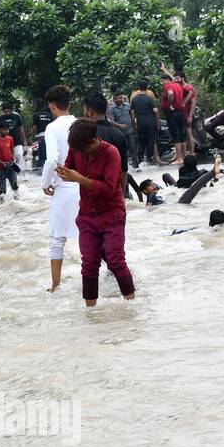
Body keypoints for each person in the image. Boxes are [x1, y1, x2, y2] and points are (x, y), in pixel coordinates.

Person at [55, 119, 135, 308]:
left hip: (112, 213)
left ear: (92, 142)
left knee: (115, 260)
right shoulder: (77, 147)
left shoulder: (111, 153)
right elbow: (70, 166)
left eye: (82, 150)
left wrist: (81, 179)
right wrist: (63, 172)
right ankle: (91, 312)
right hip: (87, 215)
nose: (79, 153)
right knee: (89, 263)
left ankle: (132, 306)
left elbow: (109, 189)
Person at [41, 85, 79, 293]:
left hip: (64, 188)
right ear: (70, 103)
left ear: (52, 106)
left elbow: (52, 159)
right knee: (88, 234)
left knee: (57, 239)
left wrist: (45, 184)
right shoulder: (80, 123)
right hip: (85, 184)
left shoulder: (52, 128)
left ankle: (55, 285)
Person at [159, 69, 186, 165]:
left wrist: (170, 105)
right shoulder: (177, 85)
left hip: (172, 113)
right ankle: (183, 156)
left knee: (176, 136)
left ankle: (179, 158)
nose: (162, 83)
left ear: (166, 80)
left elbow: (170, 93)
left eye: (162, 81)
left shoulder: (168, 86)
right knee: (182, 135)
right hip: (180, 112)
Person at [130, 81, 160, 168]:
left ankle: (141, 159)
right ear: (147, 88)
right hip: (150, 122)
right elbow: (155, 111)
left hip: (140, 122)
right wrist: (158, 122)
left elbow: (132, 113)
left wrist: (134, 124)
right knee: (151, 140)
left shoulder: (134, 99)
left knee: (141, 141)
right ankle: (149, 158)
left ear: (139, 88)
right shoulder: (150, 98)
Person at [106, 90, 135, 172]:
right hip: (120, 133)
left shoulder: (127, 106)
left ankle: (135, 166)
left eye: (120, 98)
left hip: (130, 130)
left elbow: (131, 115)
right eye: (117, 98)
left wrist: (134, 125)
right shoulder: (112, 108)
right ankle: (123, 167)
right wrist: (120, 126)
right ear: (114, 99)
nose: (119, 99)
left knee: (133, 148)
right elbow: (111, 121)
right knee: (122, 150)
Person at [0, 100, 27, 171]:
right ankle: (13, 173)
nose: (7, 113)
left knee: (19, 156)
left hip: (17, 140)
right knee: (9, 158)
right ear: (3, 111)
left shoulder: (16, 117)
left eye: (9, 111)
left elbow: (21, 129)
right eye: (6, 111)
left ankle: (22, 174)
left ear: (11, 110)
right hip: (5, 143)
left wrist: (24, 141)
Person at [0, 123, 19, 202]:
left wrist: (13, 158)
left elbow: (12, 150)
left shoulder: (10, 138)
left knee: (15, 186)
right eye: (4, 129)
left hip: (10, 165)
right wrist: (1, 162)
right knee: (3, 189)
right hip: (1, 168)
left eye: (7, 129)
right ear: (0, 130)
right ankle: (1, 205)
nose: (6, 131)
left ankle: (17, 201)